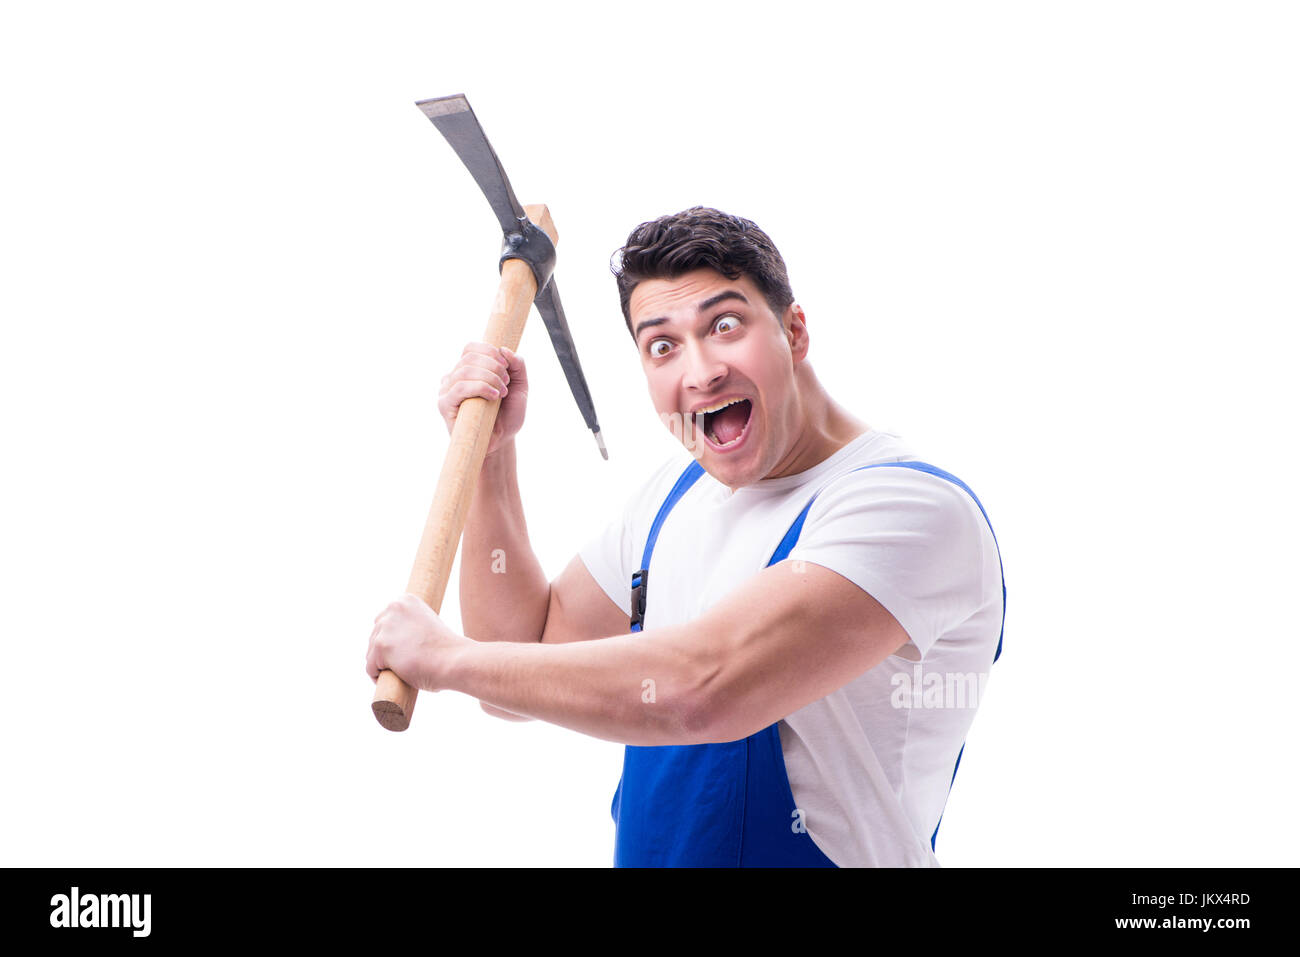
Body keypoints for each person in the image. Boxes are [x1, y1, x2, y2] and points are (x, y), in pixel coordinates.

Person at [365, 206, 1005, 867]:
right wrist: (490, 458)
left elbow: (706, 687)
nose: (700, 374)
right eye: (662, 345)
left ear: (795, 330)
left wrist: (442, 658)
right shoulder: (673, 500)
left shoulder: (907, 507)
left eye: (724, 325)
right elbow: (516, 657)